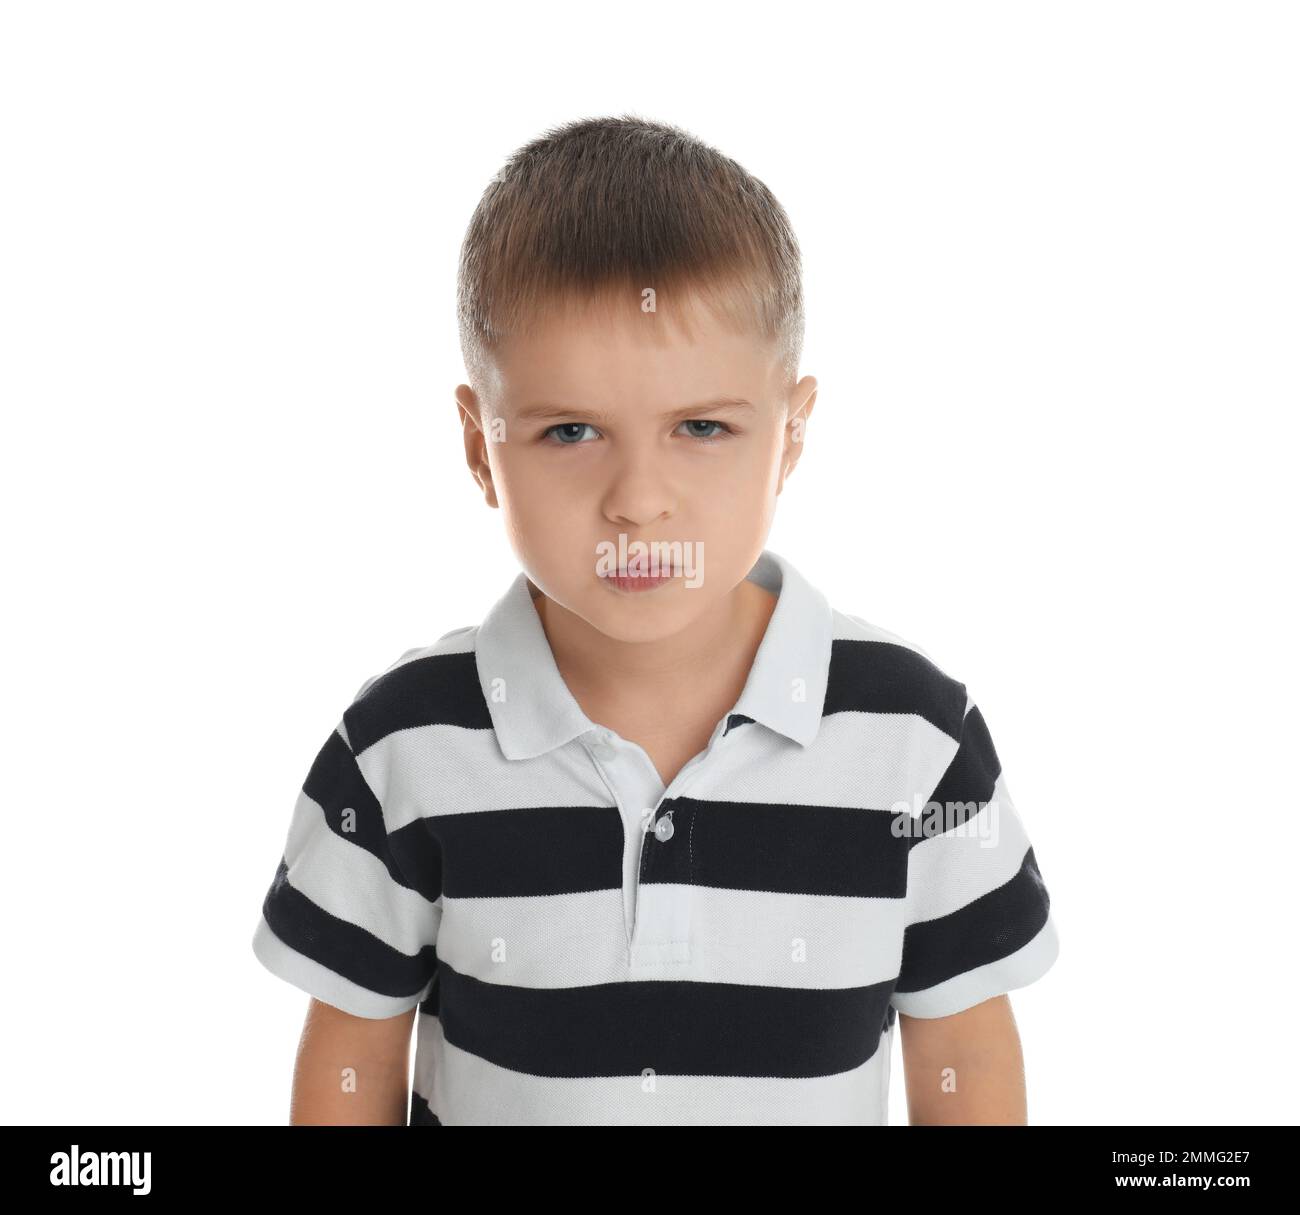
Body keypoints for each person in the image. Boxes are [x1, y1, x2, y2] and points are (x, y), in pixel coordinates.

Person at [252, 114, 1059, 1125]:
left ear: (790, 434)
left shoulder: (910, 742)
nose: (638, 498)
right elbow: (350, 1061)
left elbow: (967, 1057)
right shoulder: (403, 748)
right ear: (479, 443)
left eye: (702, 428)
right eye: (571, 431)